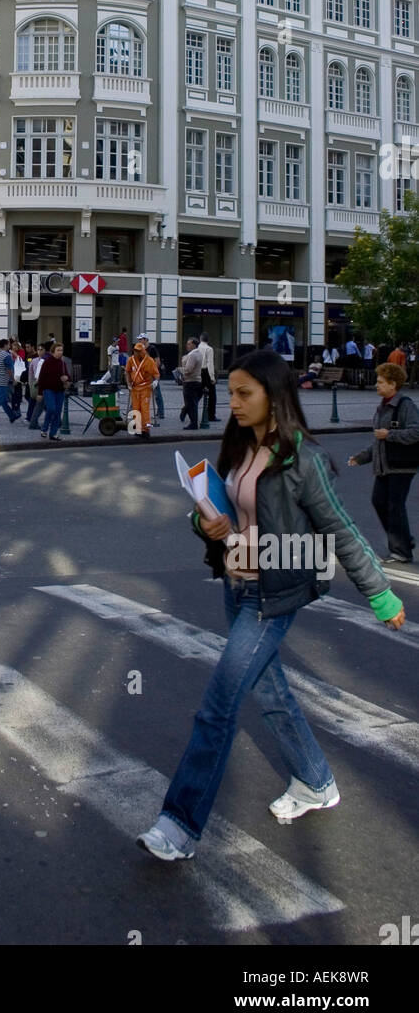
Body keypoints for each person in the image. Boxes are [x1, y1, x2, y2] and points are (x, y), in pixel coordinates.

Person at [137, 349, 406, 862]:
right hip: (235, 585)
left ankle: (178, 825)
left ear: (273, 395)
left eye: (244, 394)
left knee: (217, 709)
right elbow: (217, 508)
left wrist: (380, 593)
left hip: (272, 594)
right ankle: (315, 780)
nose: (233, 403)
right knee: (271, 692)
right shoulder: (239, 446)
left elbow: (340, 529)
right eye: (232, 392)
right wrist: (205, 524)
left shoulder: (301, 457)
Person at [348, 362, 419, 566]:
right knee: (379, 501)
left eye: (380, 382)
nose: (376, 385)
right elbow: (378, 441)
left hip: (401, 465)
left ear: (392, 384)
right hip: (385, 465)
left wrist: (391, 434)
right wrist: (361, 457)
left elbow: (416, 431)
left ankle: (401, 551)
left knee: (395, 506)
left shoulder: (405, 405)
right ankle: (403, 540)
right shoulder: (382, 407)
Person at [37, 340, 71, 440]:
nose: (60, 352)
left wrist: (67, 379)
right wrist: (40, 393)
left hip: (60, 390)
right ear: (53, 352)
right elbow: (42, 378)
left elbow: (68, 376)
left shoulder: (63, 363)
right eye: (58, 350)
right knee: (51, 408)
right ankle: (44, 428)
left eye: (61, 350)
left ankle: (53, 433)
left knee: (57, 412)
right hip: (48, 389)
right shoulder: (47, 362)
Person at [125, 340, 159, 437]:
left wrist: (155, 382)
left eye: (138, 351)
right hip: (135, 388)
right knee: (136, 409)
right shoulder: (131, 360)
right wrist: (128, 384)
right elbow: (127, 372)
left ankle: (146, 429)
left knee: (145, 409)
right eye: (135, 350)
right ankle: (138, 428)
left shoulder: (149, 361)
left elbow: (156, 374)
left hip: (146, 387)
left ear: (142, 351)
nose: (136, 352)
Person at [180, 337, 204, 429]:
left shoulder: (193, 355)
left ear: (194, 345)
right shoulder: (199, 354)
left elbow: (188, 369)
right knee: (192, 403)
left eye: (189, 344)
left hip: (190, 381)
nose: (187, 345)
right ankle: (187, 414)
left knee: (191, 403)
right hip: (197, 381)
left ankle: (193, 423)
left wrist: (180, 370)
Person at [198, 331, 218, 421]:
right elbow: (210, 363)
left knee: (197, 394)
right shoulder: (209, 349)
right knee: (212, 395)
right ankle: (211, 415)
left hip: (198, 372)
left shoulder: (197, 348)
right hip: (206, 373)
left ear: (200, 339)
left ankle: (186, 410)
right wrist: (212, 377)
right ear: (208, 340)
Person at [26, 343, 46, 429]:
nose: (39, 351)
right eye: (38, 349)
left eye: (41, 349)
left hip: (45, 386)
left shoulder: (47, 360)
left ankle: (56, 420)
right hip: (37, 385)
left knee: (45, 405)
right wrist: (31, 384)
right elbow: (31, 374)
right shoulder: (34, 361)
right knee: (39, 405)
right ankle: (33, 421)